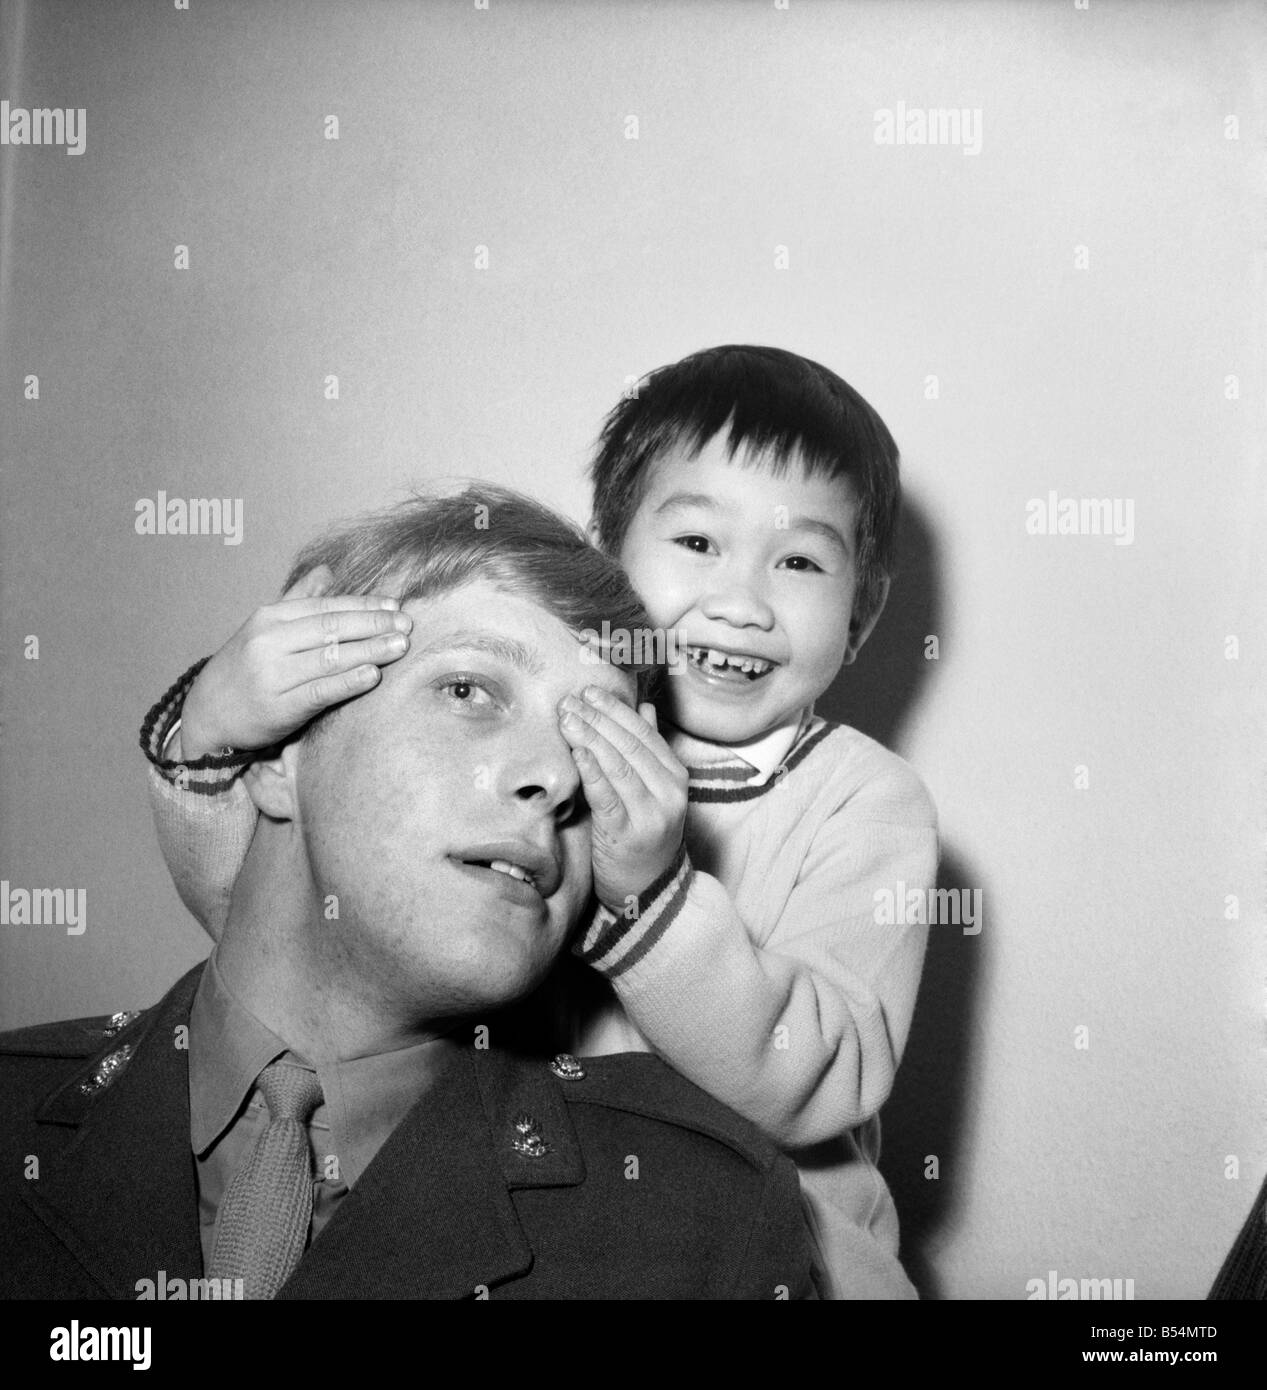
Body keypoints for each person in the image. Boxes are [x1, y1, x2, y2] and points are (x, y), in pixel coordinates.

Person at [141, 345, 938, 1298]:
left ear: (862, 612)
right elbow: (275, 922)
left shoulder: (863, 802)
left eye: (801, 560)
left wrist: (653, 906)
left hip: (787, 1262)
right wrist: (209, 740)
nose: (741, 602)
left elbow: (827, 1079)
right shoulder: (537, 753)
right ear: (607, 556)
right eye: (696, 544)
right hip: (532, 1228)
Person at [0, 486, 817, 1301]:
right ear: (278, 757)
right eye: (469, 691)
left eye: (600, 739)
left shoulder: (702, 1223)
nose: (560, 777)